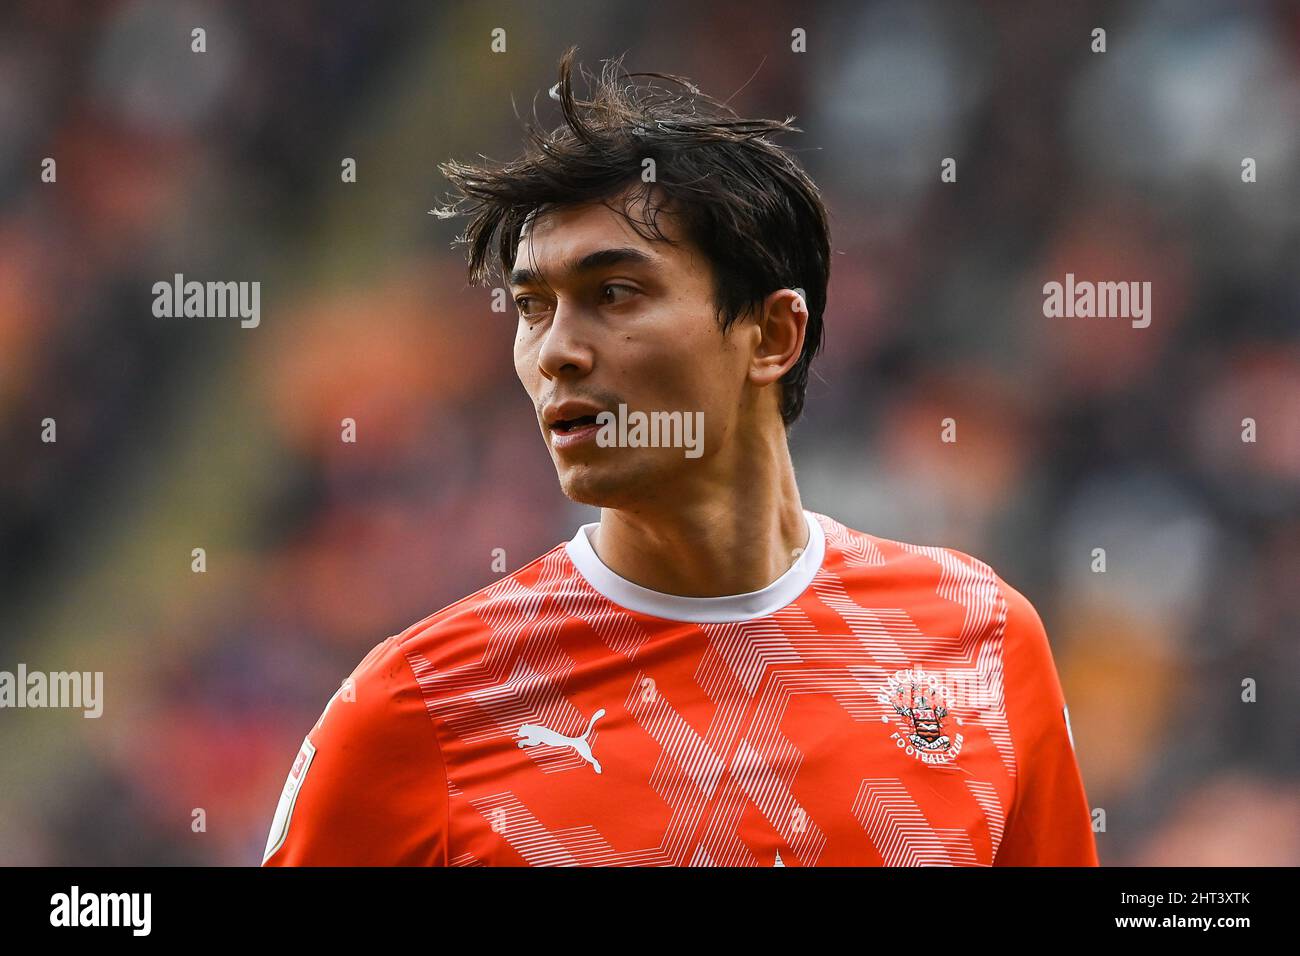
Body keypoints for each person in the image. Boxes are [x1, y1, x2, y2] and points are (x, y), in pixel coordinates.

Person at [262, 47, 1097, 867]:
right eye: (532, 306)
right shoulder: (418, 710)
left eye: (613, 293)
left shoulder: (977, 637)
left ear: (772, 335)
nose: (556, 352)